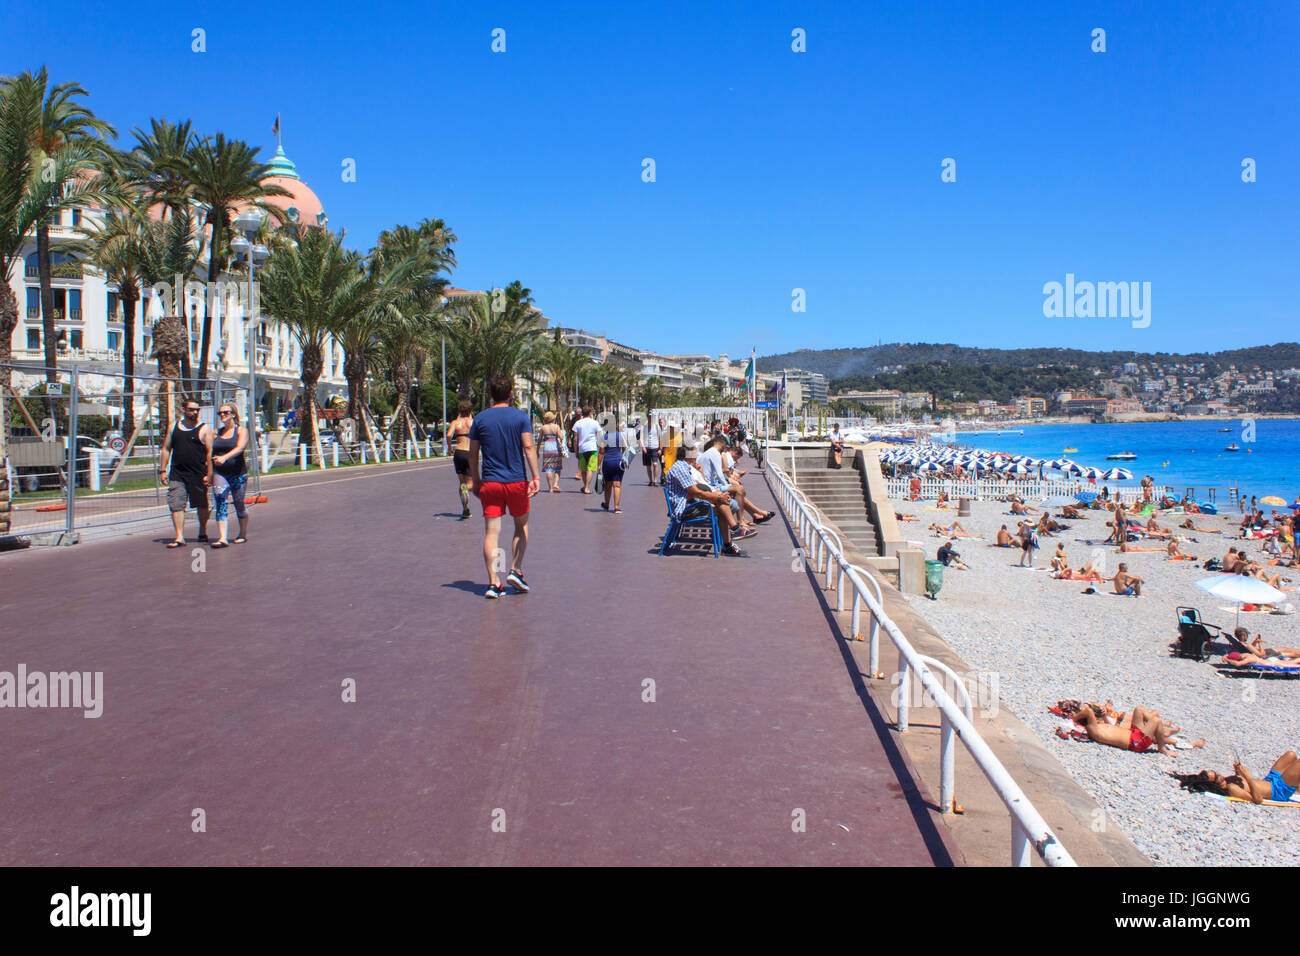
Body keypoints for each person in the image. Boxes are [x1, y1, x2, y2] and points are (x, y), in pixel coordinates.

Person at [468, 376, 540, 599]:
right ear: (510, 393)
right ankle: (515, 570)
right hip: (516, 482)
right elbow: (528, 446)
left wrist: (476, 480)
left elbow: (472, 453)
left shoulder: (480, 419)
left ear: (491, 394)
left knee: (492, 532)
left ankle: (494, 582)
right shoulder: (520, 417)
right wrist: (536, 476)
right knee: (521, 525)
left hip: (490, 483)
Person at [662, 448, 747, 555]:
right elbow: (696, 492)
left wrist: (717, 496)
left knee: (722, 502)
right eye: (694, 452)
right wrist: (717, 498)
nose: (696, 455)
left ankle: (732, 535)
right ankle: (732, 535)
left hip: (687, 504)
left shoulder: (683, 467)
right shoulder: (680, 469)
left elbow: (699, 487)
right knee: (722, 505)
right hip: (683, 510)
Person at [160, 397, 214, 548]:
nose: (195, 412)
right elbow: (166, 449)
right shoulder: (173, 427)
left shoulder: (204, 429)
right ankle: (179, 537)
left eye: (197, 410)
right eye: (191, 409)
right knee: (176, 503)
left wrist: (209, 474)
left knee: (201, 504)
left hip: (198, 474)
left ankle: (202, 531)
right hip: (177, 473)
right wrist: (162, 470)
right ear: (183, 410)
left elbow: (210, 453)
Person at [1171, 752, 1300, 804]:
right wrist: (1247, 776)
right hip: (1278, 791)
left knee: (1291, 755)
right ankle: (1295, 788)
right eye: (1217, 778)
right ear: (1215, 785)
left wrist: (1238, 772)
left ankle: (1297, 789)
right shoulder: (1232, 789)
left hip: (1269, 781)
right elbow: (1257, 800)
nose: (1219, 775)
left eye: (1216, 773)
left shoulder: (1228, 782)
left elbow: (1243, 782)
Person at [1072, 703, 1196, 754]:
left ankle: (1162, 731)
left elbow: (1110, 723)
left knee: (1139, 709)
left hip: (1134, 734)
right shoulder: (1093, 728)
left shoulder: (1098, 726)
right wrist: (1075, 717)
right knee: (1156, 720)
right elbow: (1088, 711)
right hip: (1135, 743)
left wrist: (1104, 714)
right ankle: (1162, 749)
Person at [210, 402, 249, 547]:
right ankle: (222, 538)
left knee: (239, 503)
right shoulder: (216, 433)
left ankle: (242, 533)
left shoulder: (241, 430)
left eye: (225, 412)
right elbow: (209, 452)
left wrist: (225, 457)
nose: (222, 415)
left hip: (238, 473)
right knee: (220, 500)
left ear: (233, 414)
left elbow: (240, 448)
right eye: (220, 413)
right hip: (220, 473)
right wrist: (208, 473)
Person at [447, 400, 475, 518]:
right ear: (470, 411)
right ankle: (466, 489)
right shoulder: (473, 422)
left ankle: (465, 509)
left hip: (458, 452)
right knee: (470, 484)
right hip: (469, 453)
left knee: (462, 482)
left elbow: (448, 435)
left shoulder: (455, 422)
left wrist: (449, 448)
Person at [600, 413, 628, 513]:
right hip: (618, 462)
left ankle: (607, 504)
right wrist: (626, 461)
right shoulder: (620, 435)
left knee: (607, 485)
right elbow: (625, 448)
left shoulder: (604, 437)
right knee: (617, 485)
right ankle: (616, 507)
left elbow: (601, 451)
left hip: (607, 462)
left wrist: (598, 465)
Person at [571, 407, 601, 495]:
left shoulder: (578, 423)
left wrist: (575, 450)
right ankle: (587, 487)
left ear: (582, 414)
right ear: (590, 413)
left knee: (583, 469)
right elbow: (599, 436)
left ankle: (585, 486)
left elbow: (575, 439)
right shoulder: (595, 423)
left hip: (582, 448)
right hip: (592, 448)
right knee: (590, 468)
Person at [536, 411, 565, 493]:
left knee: (548, 468)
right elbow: (561, 437)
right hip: (555, 448)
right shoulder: (556, 426)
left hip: (547, 448)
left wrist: (537, 451)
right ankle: (556, 483)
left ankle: (550, 488)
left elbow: (539, 440)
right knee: (557, 467)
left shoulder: (543, 427)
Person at [640, 415, 664, 485]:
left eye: (651, 417)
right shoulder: (643, 426)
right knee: (648, 466)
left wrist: (660, 448)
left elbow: (660, 438)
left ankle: (655, 480)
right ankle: (651, 480)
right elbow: (641, 438)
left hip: (655, 447)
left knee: (655, 464)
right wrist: (643, 447)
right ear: (647, 418)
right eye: (649, 417)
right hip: (646, 448)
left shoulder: (657, 426)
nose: (650, 419)